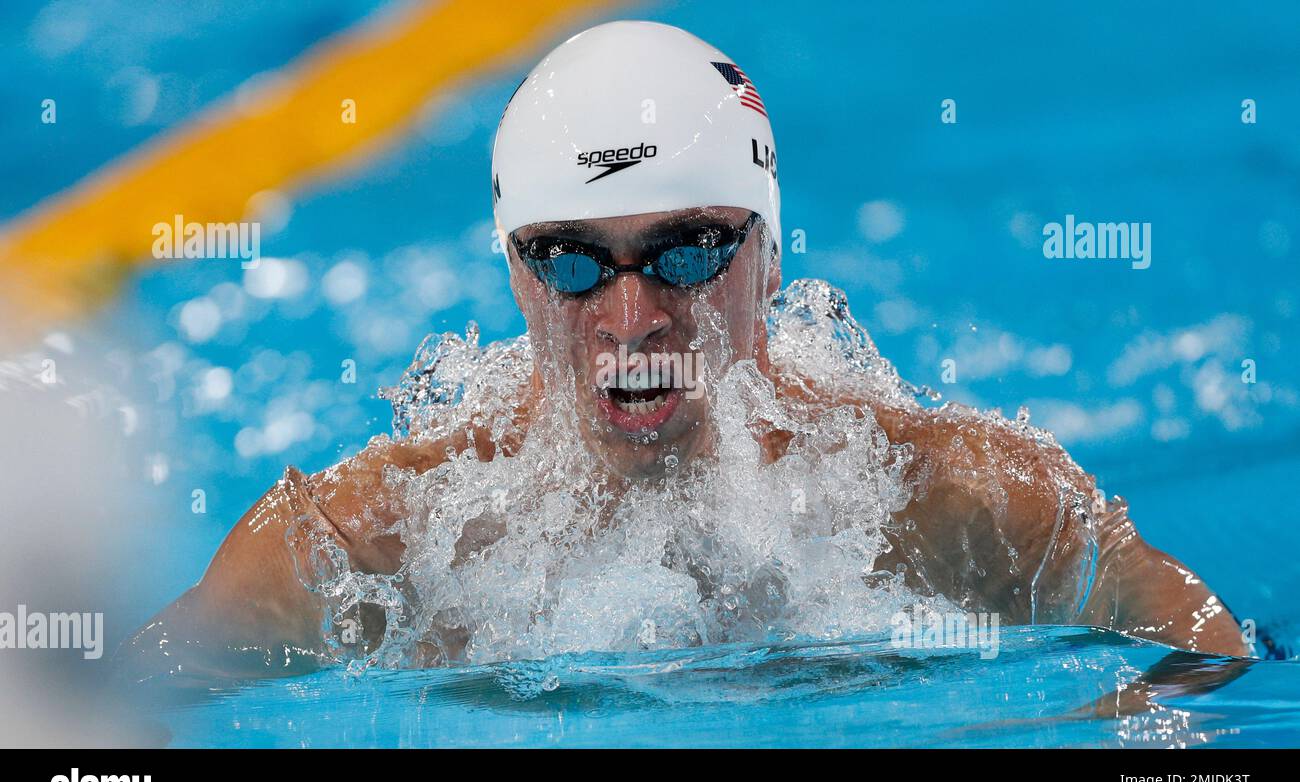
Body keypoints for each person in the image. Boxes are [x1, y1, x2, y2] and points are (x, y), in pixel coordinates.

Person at [119, 20, 1249, 682]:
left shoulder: (948, 499)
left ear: (765, 254)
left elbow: (1212, 662)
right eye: (572, 261)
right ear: (517, 273)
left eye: (685, 252)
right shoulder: (370, 548)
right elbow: (100, 731)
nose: (628, 316)